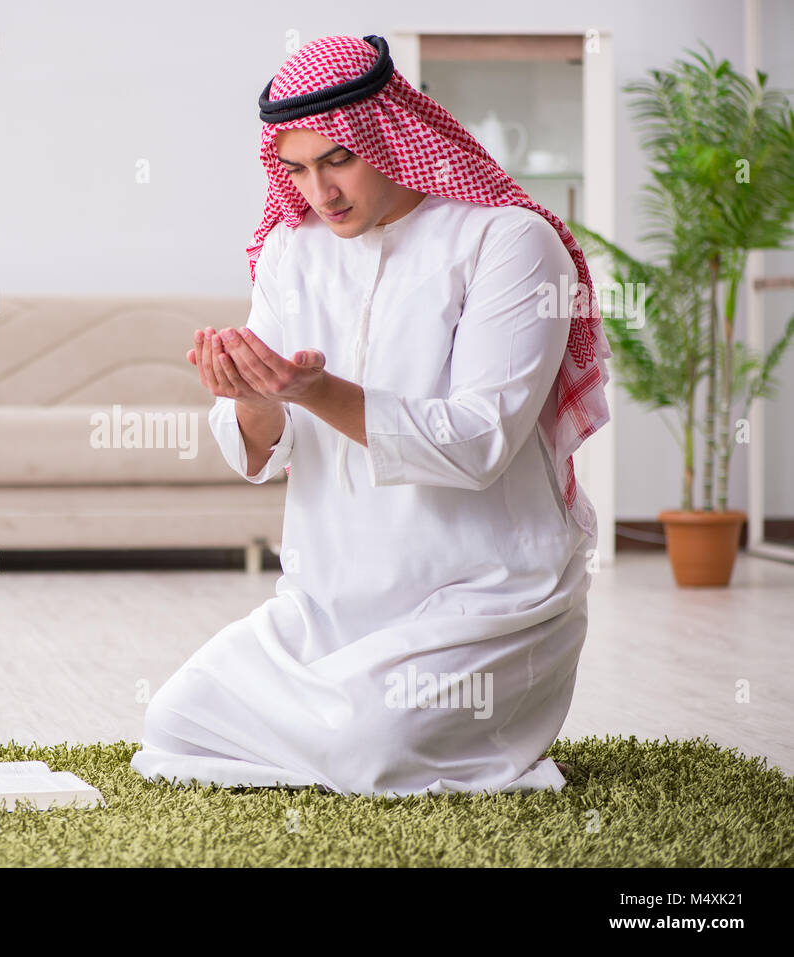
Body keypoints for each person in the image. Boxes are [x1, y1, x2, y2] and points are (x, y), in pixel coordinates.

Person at [129, 34, 612, 797]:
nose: (320, 192)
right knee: (174, 720)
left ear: (387, 135)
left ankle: (348, 731)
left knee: (367, 739)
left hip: (484, 602)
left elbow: (479, 444)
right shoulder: (293, 252)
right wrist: (254, 397)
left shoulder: (508, 242)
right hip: (328, 605)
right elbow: (259, 448)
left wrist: (316, 391)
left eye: (337, 160)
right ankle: (331, 722)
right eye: (296, 169)